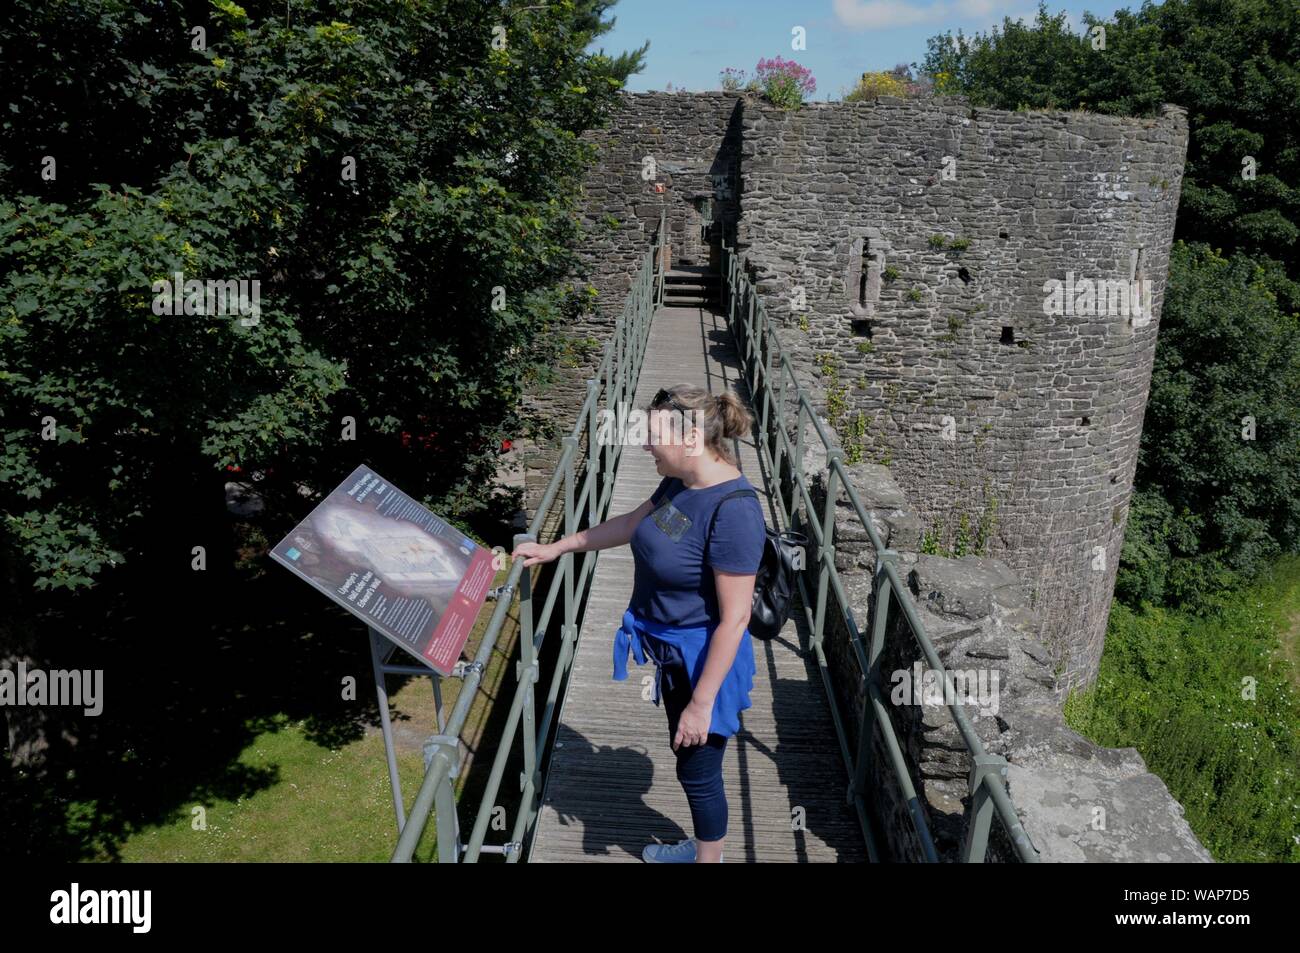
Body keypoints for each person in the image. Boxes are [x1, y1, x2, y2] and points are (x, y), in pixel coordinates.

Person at [513, 383, 766, 863]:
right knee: (688, 764)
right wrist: (557, 548)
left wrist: (701, 704)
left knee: (699, 772)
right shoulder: (681, 483)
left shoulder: (733, 512)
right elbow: (633, 523)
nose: (646, 445)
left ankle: (706, 860)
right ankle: (700, 850)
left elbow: (735, 619)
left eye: (653, 435)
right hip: (672, 656)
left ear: (690, 440)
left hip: (704, 663)